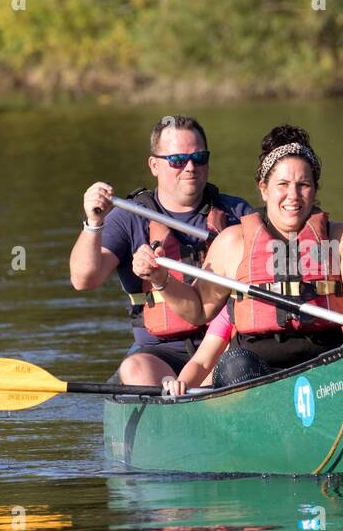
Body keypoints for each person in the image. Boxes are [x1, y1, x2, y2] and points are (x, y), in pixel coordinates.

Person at [133, 123, 343, 387]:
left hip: (327, 362)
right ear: (263, 189)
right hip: (255, 371)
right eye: (282, 184)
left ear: (315, 189)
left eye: (304, 184)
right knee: (234, 364)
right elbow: (197, 310)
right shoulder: (232, 241)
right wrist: (161, 280)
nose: (293, 196)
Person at [69, 115, 254, 385]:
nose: (190, 167)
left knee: (243, 362)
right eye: (178, 160)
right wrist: (94, 222)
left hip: (223, 345)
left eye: (199, 157)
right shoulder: (128, 217)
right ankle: (172, 399)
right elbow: (84, 279)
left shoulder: (237, 214)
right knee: (135, 369)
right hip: (159, 354)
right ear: (154, 165)